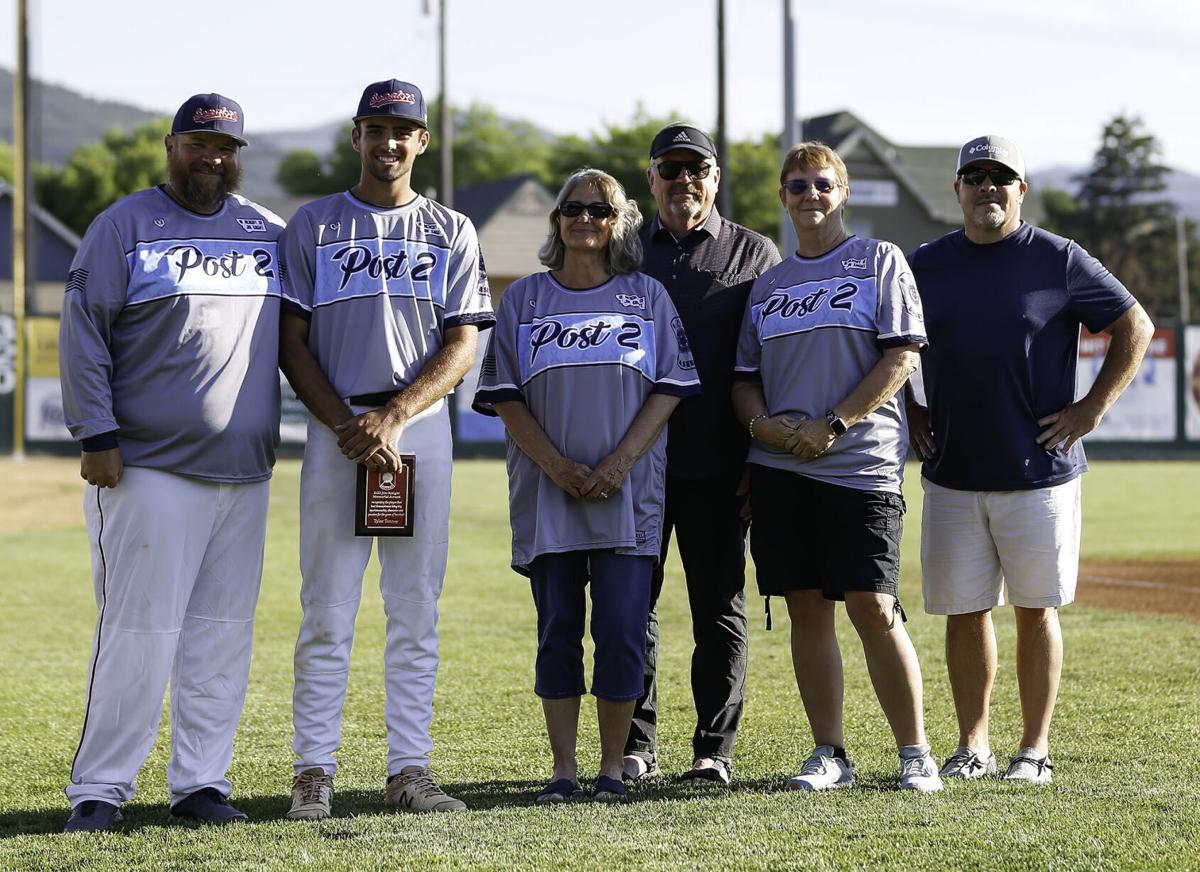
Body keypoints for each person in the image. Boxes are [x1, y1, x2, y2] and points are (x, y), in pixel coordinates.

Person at [58, 94, 284, 831]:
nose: (212, 158)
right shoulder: (122, 224)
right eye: (198, 144)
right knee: (138, 633)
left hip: (244, 472)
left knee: (222, 633)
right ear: (170, 146)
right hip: (147, 467)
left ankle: (199, 785)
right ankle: (100, 790)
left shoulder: (268, 233)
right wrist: (97, 435)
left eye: (225, 146)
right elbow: (84, 332)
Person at [907, 135, 1154, 784]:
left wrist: (1091, 409)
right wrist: (910, 411)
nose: (988, 187)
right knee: (964, 612)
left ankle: (1034, 750)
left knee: (1035, 609)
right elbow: (888, 343)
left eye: (1001, 177)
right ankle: (972, 746)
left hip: (1038, 472)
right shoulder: (922, 265)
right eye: (975, 176)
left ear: (1021, 189)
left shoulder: (1058, 259)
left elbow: (1136, 326)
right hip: (954, 472)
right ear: (956, 189)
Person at [279, 79, 493, 820]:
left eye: (403, 130)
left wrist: (395, 417)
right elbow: (292, 343)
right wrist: (351, 424)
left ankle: (409, 770)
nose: (389, 142)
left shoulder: (452, 230)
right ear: (355, 136)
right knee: (326, 611)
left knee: (414, 611)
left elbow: (464, 341)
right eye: (376, 129)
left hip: (419, 431)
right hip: (337, 431)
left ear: (422, 141)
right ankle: (313, 770)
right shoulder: (313, 224)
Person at [473, 169, 700, 803]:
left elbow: (671, 390)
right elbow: (505, 397)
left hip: (629, 494)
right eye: (572, 209)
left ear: (618, 222)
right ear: (556, 221)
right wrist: (558, 467)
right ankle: (563, 771)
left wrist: (619, 464)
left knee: (624, 630)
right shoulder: (523, 300)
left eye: (599, 211)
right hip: (550, 494)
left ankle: (610, 769)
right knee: (559, 630)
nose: (584, 219)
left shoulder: (646, 296)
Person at [732, 142, 942, 793]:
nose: (809, 195)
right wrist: (765, 427)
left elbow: (901, 356)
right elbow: (744, 380)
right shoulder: (769, 285)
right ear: (783, 197)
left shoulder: (879, 261)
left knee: (872, 606)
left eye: (822, 183)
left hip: (859, 465)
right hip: (780, 467)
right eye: (796, 186)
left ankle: (915, 754)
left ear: (842, 192)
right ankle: (830, 754)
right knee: (805, 609)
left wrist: (834, 425)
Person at [623, 124, 781, 786]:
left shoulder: (755, 252)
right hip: (634, 462)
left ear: (716, 178)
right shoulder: (622, 249)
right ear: (652, 178)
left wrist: (761, 458)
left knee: (718, 608)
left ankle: (712, 750)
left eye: (698, 168)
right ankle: (636, 745)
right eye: (672, 168)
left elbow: (774, 360)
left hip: (720, 461)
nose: (685, 179)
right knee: (632, 606)